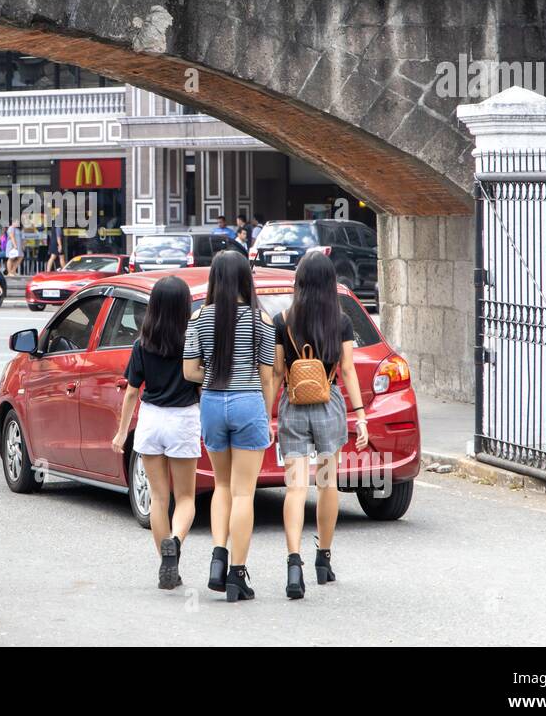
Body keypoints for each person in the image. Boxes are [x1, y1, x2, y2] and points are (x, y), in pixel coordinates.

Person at [272, 251, 369, 599]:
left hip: (293, 407)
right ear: (330, 283)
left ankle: (293, 562)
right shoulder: (340, 322)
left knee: (295, 488)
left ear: (299, 282)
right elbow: (347, 370)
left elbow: (279, 372)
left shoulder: (282, 320)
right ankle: (323, 560)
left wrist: (269, 413)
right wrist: (360, 415)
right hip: (329, 406)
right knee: (327, 485)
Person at [183, 249, 277, 602]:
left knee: (221, 486)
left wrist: (214, 376)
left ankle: (217, 560)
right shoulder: (261, 321)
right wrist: (266, 417)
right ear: (244, 279)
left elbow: (189, 371)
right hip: (248, 402)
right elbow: (267, 378)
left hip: (211, 404)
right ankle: (238, 574)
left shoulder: (199, 319)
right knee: (243, 493)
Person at [110, 275, 200, 589]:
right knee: (186, 497)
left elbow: (132, 392)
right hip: (183, 419)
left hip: (150, 420)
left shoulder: (142, 344)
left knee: (159, 499)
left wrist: (122, 433)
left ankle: (167, 567)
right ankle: (175, 541)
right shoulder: (192, 340)